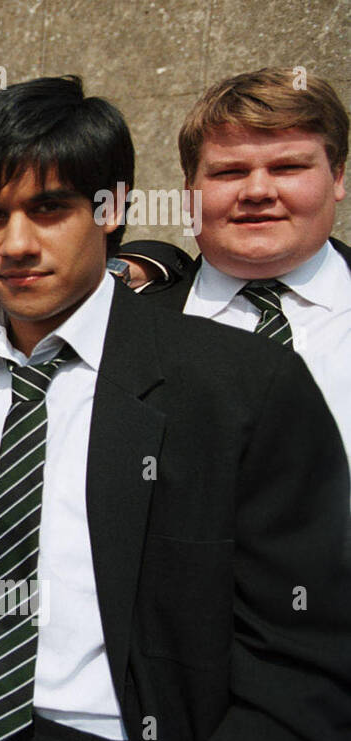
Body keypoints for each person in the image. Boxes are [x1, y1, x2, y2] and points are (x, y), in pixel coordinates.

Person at [0, 75, 351, 741]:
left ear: (110, 208)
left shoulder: (243, 381)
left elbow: (294, 657)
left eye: (49, 209)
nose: (15, 244)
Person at [144, 68, 350, 480]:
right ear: (189, 191)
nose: (257, 192)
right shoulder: (125, 328)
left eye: (288, 167)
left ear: (338, 177)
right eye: (229, 172)